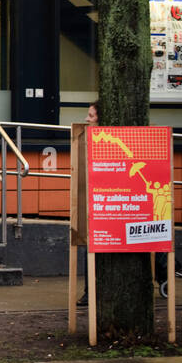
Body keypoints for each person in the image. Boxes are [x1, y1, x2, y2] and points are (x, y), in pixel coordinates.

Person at [77, 100, 100, 306]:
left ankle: (91, 293)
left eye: (91, 116)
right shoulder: (85, 139)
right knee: (88, 246)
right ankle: (90, 291)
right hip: (95, 206)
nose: (86, 119)